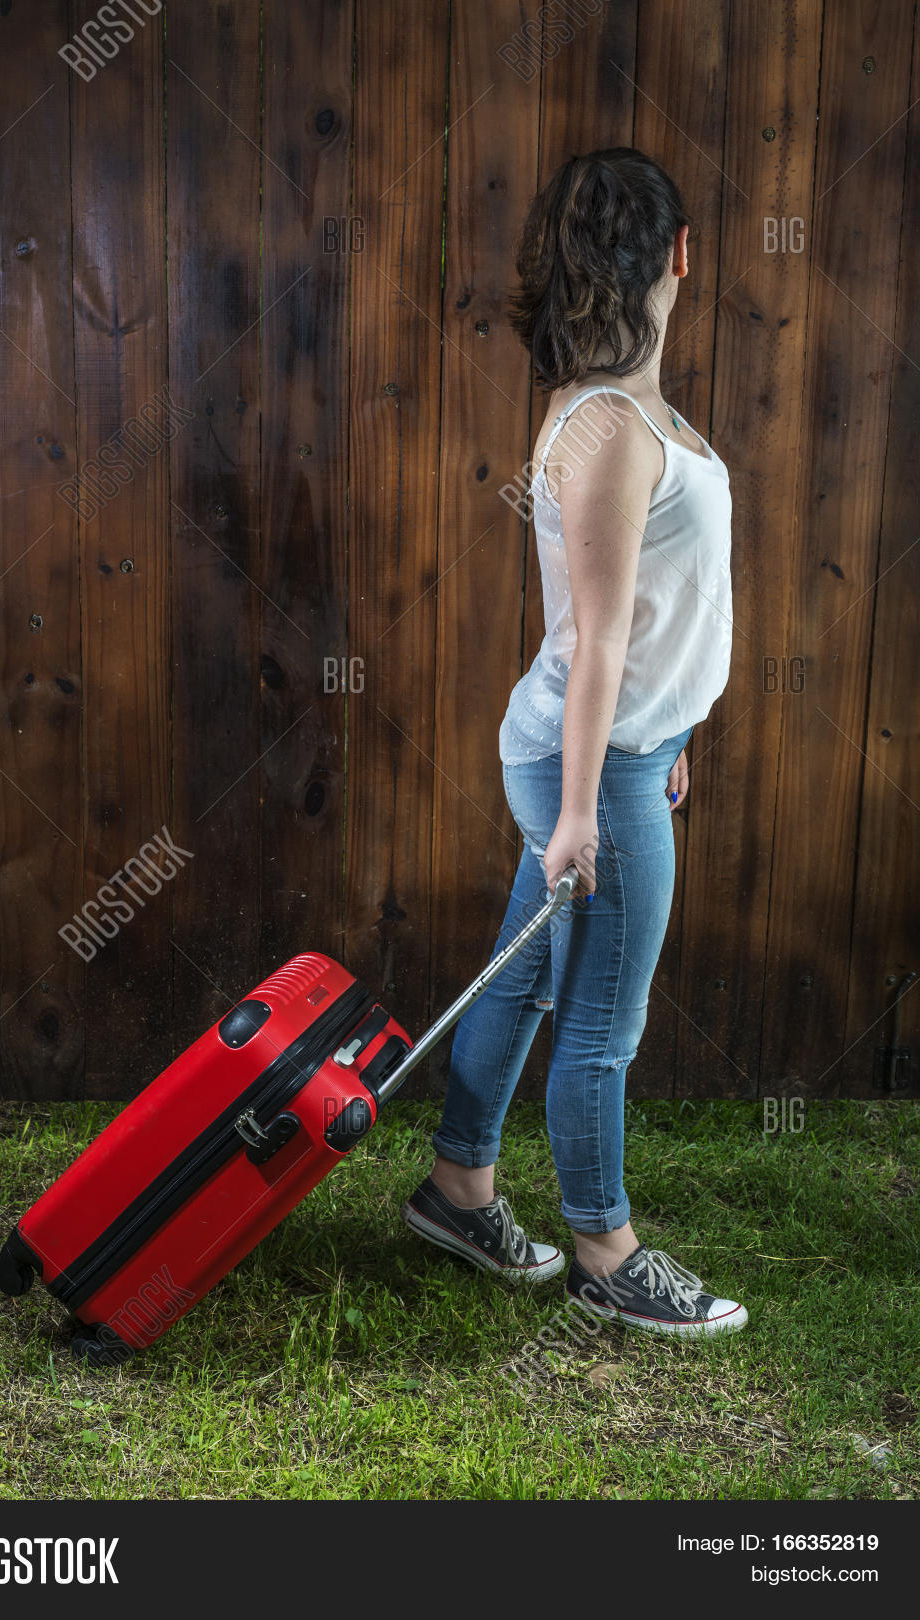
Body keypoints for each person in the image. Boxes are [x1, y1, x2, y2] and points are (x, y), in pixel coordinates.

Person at [401, 148, 747, 1337]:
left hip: (622, 752)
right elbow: (597, 644)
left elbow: (656, 611)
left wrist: (673, 731)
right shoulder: (606, 425)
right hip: (583, 765)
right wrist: (585, 812)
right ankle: (606, 1252)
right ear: (678, 254)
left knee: (528, 977)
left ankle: (457, 1188)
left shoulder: (633, 405)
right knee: (603, 1021)